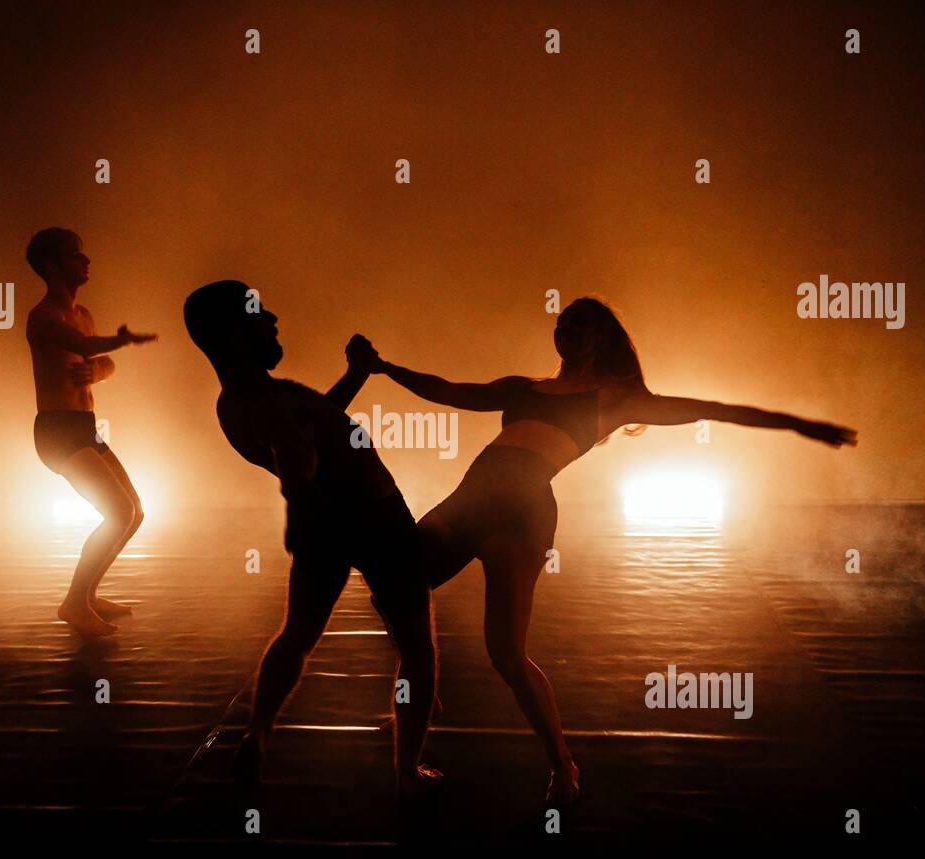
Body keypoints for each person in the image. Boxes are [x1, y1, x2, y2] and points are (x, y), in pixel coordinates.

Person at [353, 296, 857, 804]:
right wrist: (382, 368)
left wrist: (796, 424)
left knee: (505, 655)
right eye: (561, 322)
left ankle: (563, 768)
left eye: (578, 324)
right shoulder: (521, 388)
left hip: (521, 514)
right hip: (469, 498)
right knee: (392, 589)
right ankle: (421, 708)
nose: (566, 329)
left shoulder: (614, 399)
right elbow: (447, 391)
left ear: (600, 338)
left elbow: (712, 409)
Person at [183, 280, 439, 799]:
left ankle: (258, 731)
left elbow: (317, 423)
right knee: (416, 648)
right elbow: (296, 450)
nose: (273, 317)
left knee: (297, 636)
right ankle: (407, 771)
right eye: (259, 312)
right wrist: (300, 490)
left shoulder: (242, 399)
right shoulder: (265, 403)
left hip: (328, 528)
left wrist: (354, 378)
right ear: (232, 334)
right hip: (375, 520)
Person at [25, 228, 157, 637]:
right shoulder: (43, 317)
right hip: (58, 433)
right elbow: (84, 347)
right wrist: (120, 342)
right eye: (75, 256)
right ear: (52, 266)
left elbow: (98, 361)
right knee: (119, 513)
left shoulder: (83, 316)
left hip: (86, 428)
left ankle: (87, 595)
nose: (86, 262)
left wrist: (100, 368)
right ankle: (73, 602)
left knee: (134, 512)